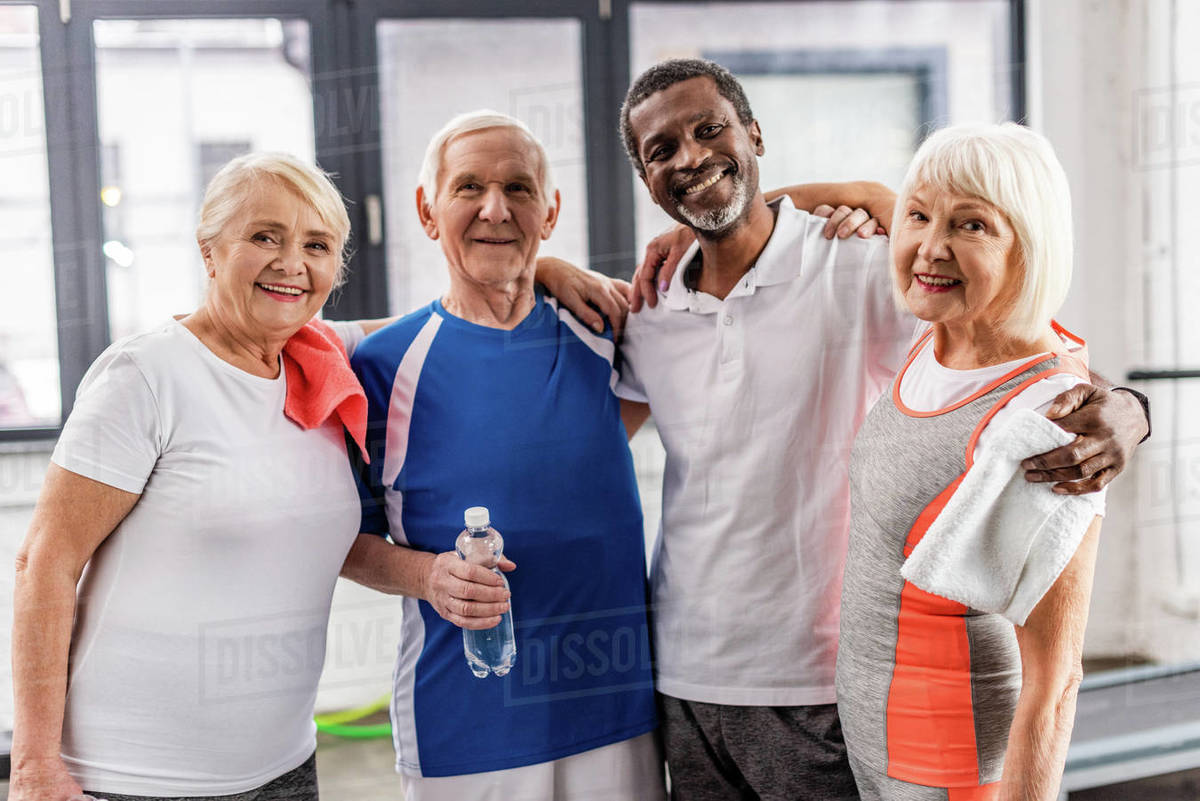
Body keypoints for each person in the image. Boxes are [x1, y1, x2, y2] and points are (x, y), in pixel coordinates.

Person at [8, 151, 628, 801]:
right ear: (210, 249)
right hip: (136, 775)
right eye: (264, 236)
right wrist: (33, 766)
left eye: (316, 245)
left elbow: (450, 317)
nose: (291, 264)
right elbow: (44, 562)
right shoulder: (146, 375)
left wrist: (535, 269)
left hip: (285, 766)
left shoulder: (320, 356)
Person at [615, 58, 1150, 799]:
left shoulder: (857, 263)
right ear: (646, 179)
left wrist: (1128, 409)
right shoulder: (646, 311)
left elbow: (1015, 331)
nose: (691, 156)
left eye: (710, 130)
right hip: (683, 678)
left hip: (822, 679)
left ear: (755, 134)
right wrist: (546, 268)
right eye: (662, 150)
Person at [339, 110, 664, 801]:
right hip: (467, 726)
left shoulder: (610, 332)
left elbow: (728, 258)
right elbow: (343, 540)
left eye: (519, 189)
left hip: (618, 712)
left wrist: (544, 268)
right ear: (427, 210)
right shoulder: (381, 365)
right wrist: (429, 574)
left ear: (551, 209)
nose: (496, 208)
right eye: (469, 188)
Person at [837, 123, 1106, 801]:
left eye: (972, 225)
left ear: (1030, 243)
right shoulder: (941, 334)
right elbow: (874, 198)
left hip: (953, 771)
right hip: (871, 749)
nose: (931, 246)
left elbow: (1055, 680)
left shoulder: (1048, 419)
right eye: (919, 216)